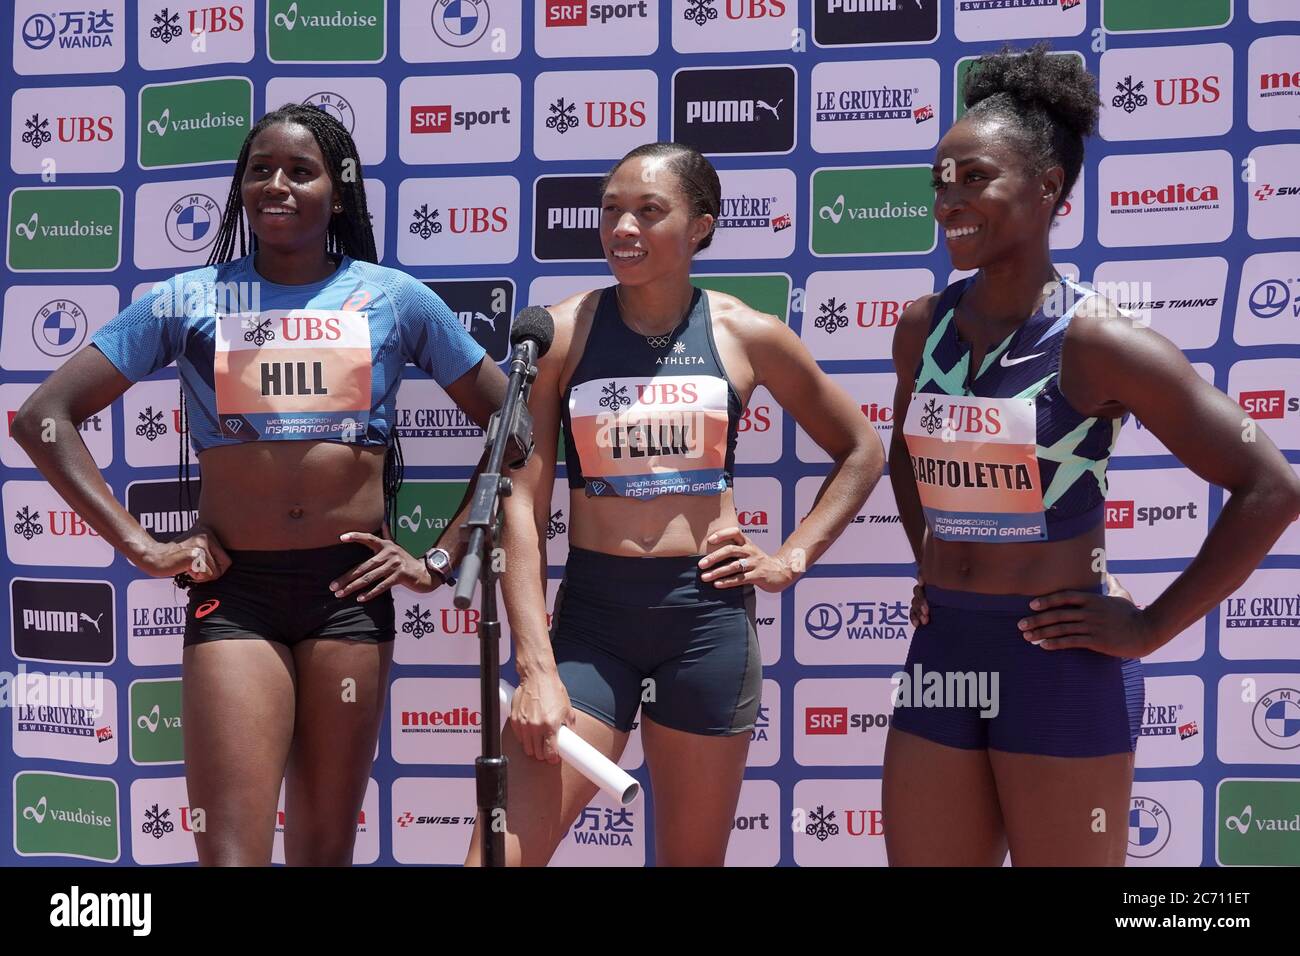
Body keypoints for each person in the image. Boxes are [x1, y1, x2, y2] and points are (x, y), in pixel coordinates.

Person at [13, 104, 506, 866]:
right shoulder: (189, 299)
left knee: (321, 852)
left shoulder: (394, 298)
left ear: (337, 195)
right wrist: (142, 547)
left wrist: (437, 560)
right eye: (259, 170)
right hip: (235, 592)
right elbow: (44, 418)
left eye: (300, 171)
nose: (275, 184)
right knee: (231, 854)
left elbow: (515, 431)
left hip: (350, 596)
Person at [884, 44, 1300, 866]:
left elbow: (1270, 486)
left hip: (1058, 663)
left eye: (975, 177)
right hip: (944, 654)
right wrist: (928, 556)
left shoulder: (1099, 342)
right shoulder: (921, 325)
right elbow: (905, 452)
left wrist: (1147, 628)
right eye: (940, 179)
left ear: (1047, 188)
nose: (949, 199)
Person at [463, 141, 884, 866]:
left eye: (649, 212)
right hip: (594, 622)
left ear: (700, 227)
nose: (623, 228)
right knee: (500, 859)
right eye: (612, 210)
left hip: (707, 622)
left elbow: (862, 450)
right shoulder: (562, 334)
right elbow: (520, 507)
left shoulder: (745, 333)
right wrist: (536, 666)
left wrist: (790, 558)